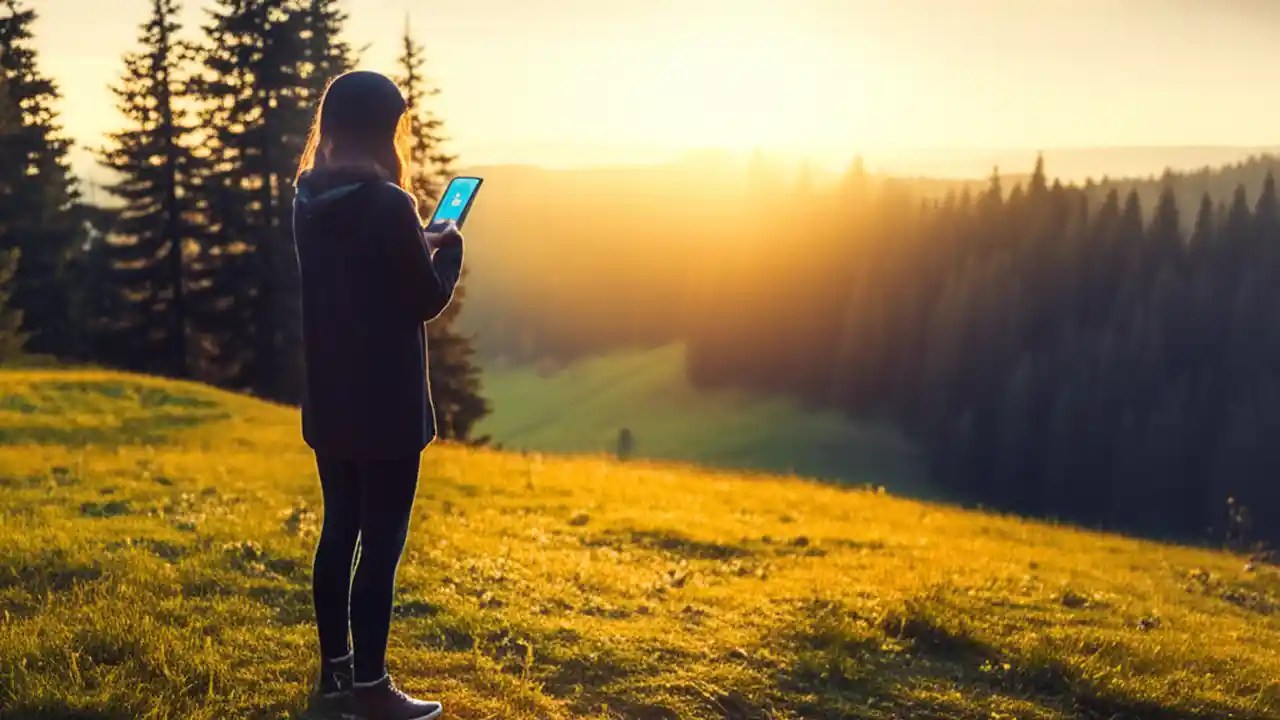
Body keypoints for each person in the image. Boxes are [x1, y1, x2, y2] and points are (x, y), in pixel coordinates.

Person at [292, 70, 463, 720]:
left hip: (331, 400)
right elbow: (422, 299)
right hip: (387, 407)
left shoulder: (308, 197)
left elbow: (353, 274)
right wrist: (447, 254)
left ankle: (335, 678)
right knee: (382, 543)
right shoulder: (389, 204)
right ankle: (372, 690)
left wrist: (410, 246)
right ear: (381, 129)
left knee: (338, 532)